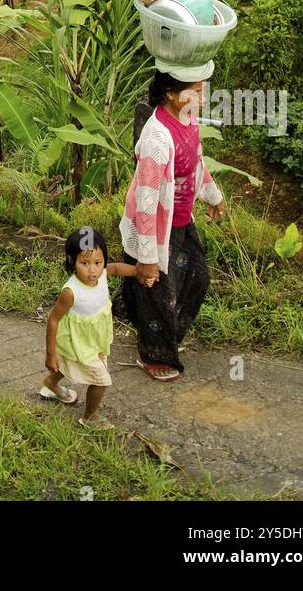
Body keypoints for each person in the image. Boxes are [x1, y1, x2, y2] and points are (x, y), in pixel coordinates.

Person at [113, 69, 225, 381]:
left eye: (202, 92)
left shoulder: (189, 121)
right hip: (155, 229)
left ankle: (157, 329)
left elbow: (197, 165)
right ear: (171, 95)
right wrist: (148, 258)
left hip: (181, 221)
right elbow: (147, 204)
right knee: (158, 290)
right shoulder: (156, 138)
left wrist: (213, 197)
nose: (202, 99)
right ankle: (152, 355)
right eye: (195, 92)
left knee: (198, 279)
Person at [40, 227, 142, 427]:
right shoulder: (71, 292)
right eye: (84, 263)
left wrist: (138, 271)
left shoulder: (102, 273)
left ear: (104, 259)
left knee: (70, 363)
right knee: (101, 380)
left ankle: (50, 384)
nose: (92, 270)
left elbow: (116, 269)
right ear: (72, 261)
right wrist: (50, 354)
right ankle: (89, 417)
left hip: (94, 339)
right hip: (76, 340)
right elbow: (53, 320)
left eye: (98, 262)